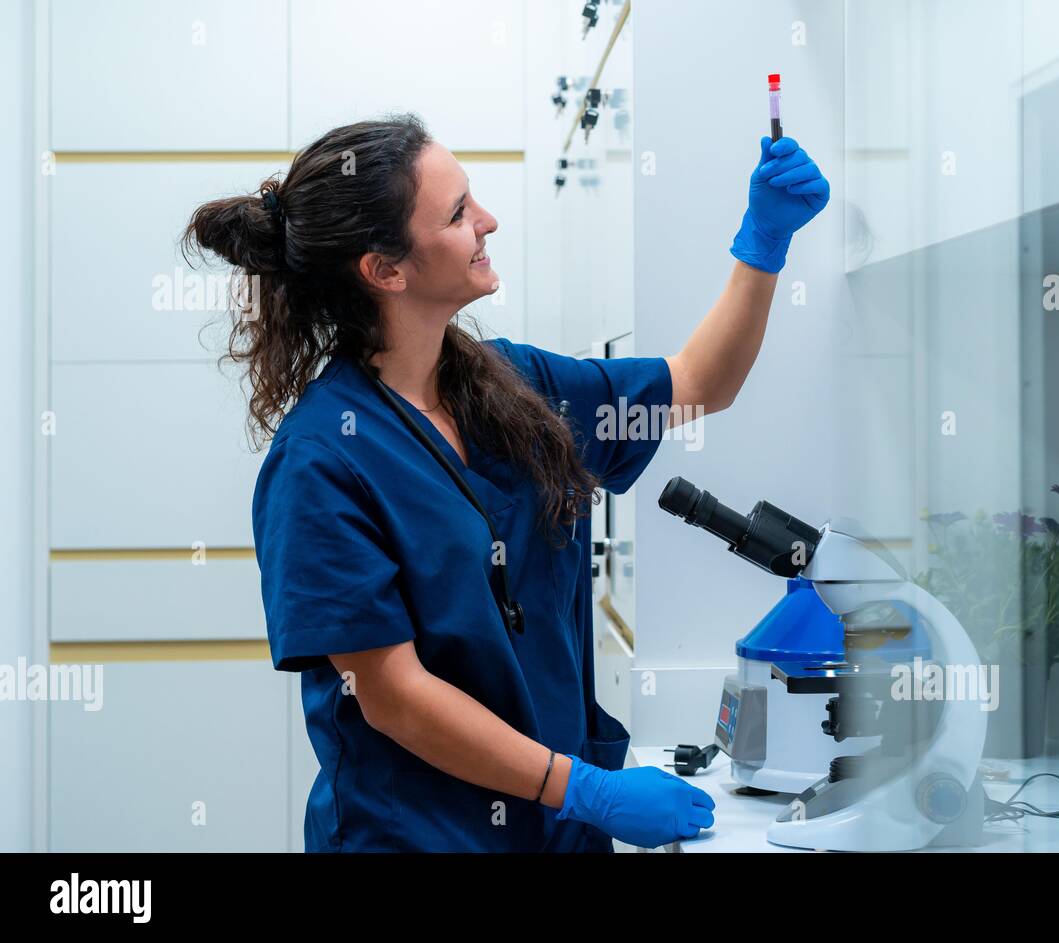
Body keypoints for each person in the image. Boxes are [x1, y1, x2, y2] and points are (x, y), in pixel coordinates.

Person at [183, 113, 828, 852]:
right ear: (385, 270)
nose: (487, 221)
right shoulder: (323, 460)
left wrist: (764, 242)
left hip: (557, 831)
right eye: (459, 213)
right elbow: (393, 696)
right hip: (421, 837)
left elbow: (699, 385)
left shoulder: (520, 385)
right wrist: (582, 787)